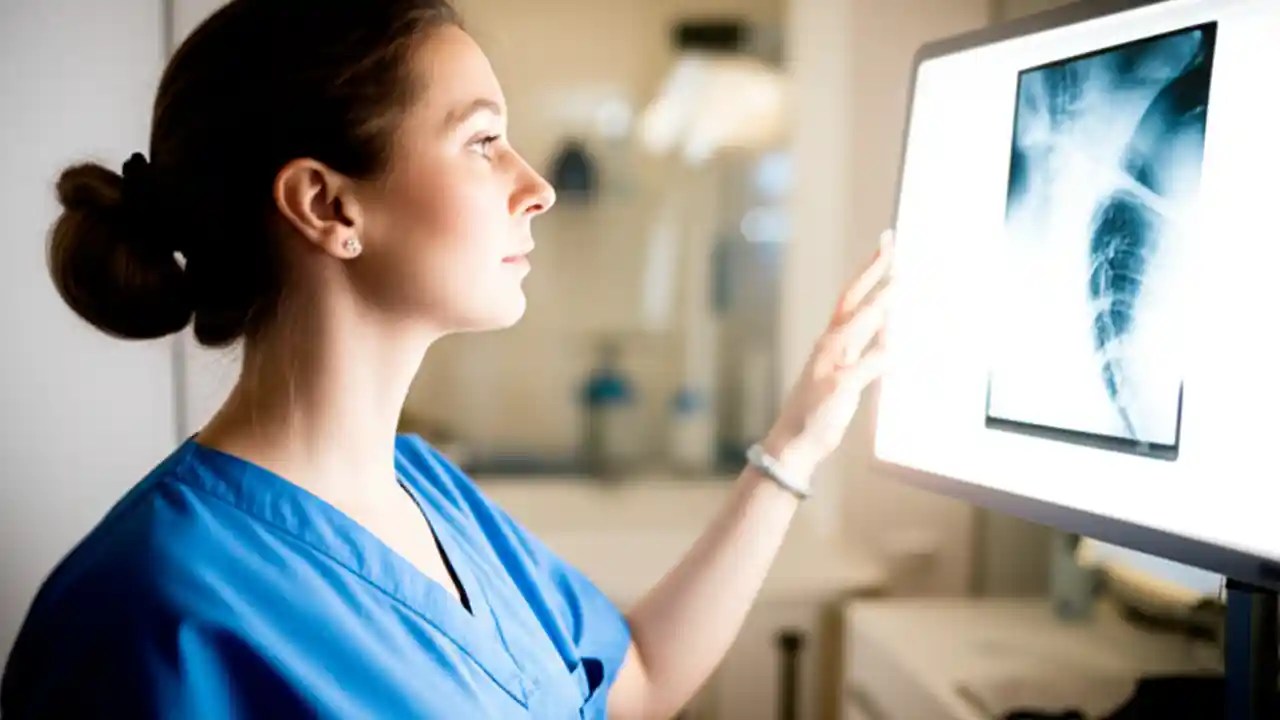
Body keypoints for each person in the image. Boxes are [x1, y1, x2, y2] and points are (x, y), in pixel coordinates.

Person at [0, 1, 893, 718]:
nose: (536, 187)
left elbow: (639, 683)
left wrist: (798, 440)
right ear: (327, 204)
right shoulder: (149, 613)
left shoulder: (429, 491)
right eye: (481, 141)